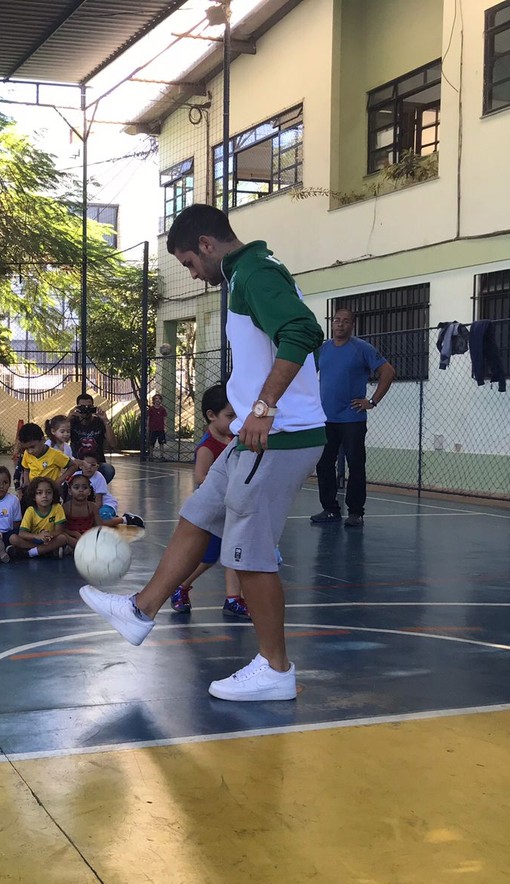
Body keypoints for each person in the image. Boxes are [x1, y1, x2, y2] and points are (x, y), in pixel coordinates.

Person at [80, 203, 325, 702]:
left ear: (207, 246)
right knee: (198, 515)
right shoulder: (243, 274)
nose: (193, 272)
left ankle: (276, 669)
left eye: (190, 263)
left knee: (251, 556)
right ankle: (141, 610)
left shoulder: (254, 273)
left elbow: (302, 330)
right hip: (253, 437)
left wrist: (263, 406)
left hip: (279, 437)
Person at [310, 308, 396, 528]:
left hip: (352, 419)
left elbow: (388, 372)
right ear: (332, 324)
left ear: (352, 325)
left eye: (346, 321)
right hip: (326, 419)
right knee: (324, 464)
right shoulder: (322, 350)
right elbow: (307, 376)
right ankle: (330, 509)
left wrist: (372, 401)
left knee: (356, 464)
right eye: (337, 320)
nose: (340, 324)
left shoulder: (362, 349)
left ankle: (356, 512)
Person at [168, 384, 246, 617]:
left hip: (233, 506)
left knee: (233, 552)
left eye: (236, 415)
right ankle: (180, 586)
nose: (234, 421)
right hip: (215, 509)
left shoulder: (234, 439)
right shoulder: (207, 447)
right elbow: (201, 477)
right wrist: (225, 481)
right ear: (211, 416)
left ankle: (233, 598)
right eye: (229, 416)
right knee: (209, 557)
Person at [9, 477, 75, 559]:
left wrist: (48, 535)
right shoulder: (30, 510)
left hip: (50, 540)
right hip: (34, 540)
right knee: (13, 538)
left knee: (62, 538)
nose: (44, 496)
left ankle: (31, 553)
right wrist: (37, 536)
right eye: (39, 493)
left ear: (53, 495)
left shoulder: (57, 507)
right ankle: (45, 551)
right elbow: (22, 533)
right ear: (33, 496)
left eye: (48, 492)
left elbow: (59, 531)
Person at [69, 393, 117, 482]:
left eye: (89, 407)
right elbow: (61, 440)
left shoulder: (99, 422)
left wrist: (105, 421)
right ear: (77, 408)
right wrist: (69, 419)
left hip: (96, 465)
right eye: (83, 407)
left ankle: (96, 488)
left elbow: (113, 444)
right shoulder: (73, 422)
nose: (86, 410)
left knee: (108, 469)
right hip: (78, 464)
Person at [18, 422, 75, 495]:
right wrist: (26, 482)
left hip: (50, 493)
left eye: (32, 447)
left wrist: (58, 482)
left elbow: (73, 466)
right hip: (34, 492)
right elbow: (26, 468)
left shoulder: (55, 455)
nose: (30, 451)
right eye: (26, 448)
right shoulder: (27, 454)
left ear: (43, 440)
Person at [63, 473, 104, 540]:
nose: (81, 490)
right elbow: (62, 529)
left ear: (89, 491)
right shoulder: (65, 508)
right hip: (71, 539)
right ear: (70, 491)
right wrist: (74, 534)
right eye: (76, 487)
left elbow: (99, 527)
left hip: (89, 538)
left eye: (85, 487)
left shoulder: (93, 507)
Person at [146, 393, 169, 460]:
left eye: (159, 399)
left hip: (160, 428)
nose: (157, 400)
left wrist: (165, 427)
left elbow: (164, 418)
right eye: (156, 399)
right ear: (154, 400)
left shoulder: (162, 409)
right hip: (153, 428)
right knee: (151, 443)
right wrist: (147, 426)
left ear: (161, 400)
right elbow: (148, 418)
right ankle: (151, 455)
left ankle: (162, 456)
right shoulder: (151, 409)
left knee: (161, 442)